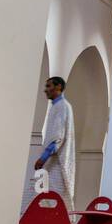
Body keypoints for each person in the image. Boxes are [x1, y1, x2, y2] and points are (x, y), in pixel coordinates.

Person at [34, 76, 76, 207]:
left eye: (48, 86)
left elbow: (57, 136)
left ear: (58, 87)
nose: (45, 90)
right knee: (44, 195)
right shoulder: (57, 106)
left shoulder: (62, 106)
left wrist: (43, 157)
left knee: (53, 198)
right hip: (52, 162)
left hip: (57, 162)